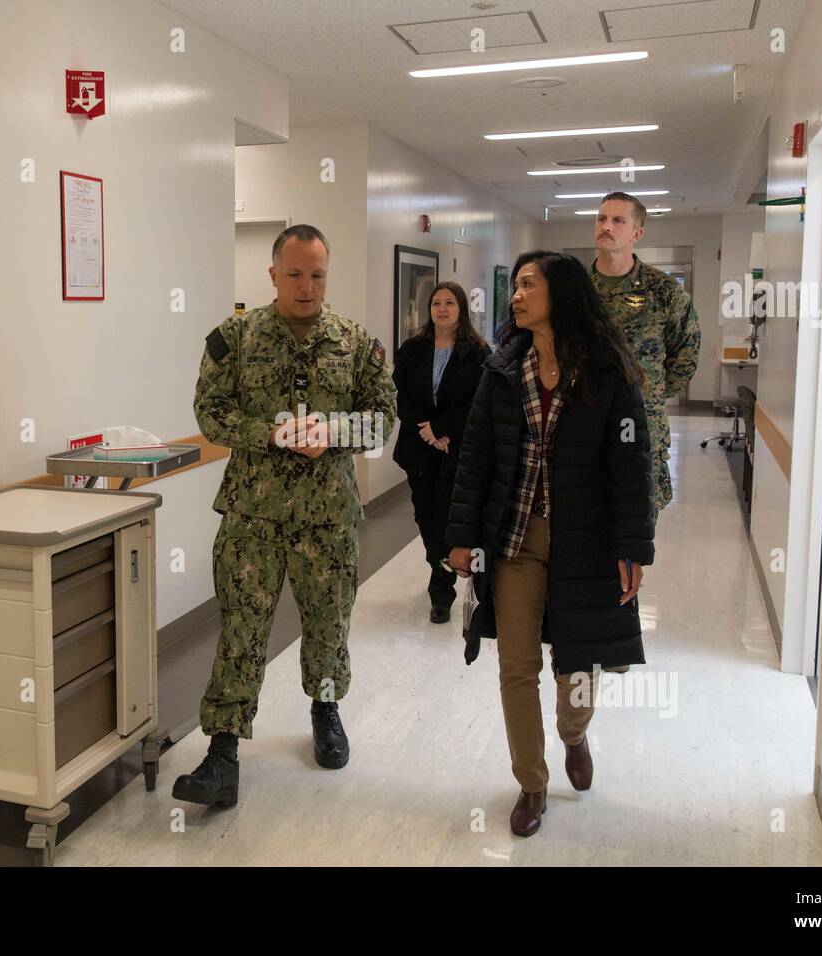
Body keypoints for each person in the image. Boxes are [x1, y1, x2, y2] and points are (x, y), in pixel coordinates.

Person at [173, 224, 398, 807]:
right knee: (241, 631)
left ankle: (326, 712)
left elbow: (382, 420)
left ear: (329, 275)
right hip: (254, 516)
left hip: (327, 518)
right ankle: (222, 751)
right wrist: (270, 433)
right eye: (295, 274)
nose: (307, 286)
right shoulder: (236, 338)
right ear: (273, 274)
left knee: (329, 625)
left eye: (317, 275)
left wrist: (335, 432)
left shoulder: (354, 341)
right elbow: (211, 412)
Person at [446, 250, 655, 838]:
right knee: (516, 664)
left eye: (529, 284)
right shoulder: (502, 370)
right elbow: (476, 457)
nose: (517, 294)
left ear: (561, 293)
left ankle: (573, 732)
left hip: (583, 541)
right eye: (514, 286)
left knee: (577, 668)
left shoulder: (608, 371)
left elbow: (630, 462)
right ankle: (531, 782)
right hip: (514, 539)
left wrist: (632, 545)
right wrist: (461, 537)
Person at [589, 191, 701, 515]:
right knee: (584, 521)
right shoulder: (575, 289)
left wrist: (653, 392)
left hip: (641, 426)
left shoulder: (662, 290)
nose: (606, 226)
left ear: (637, 234)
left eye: (617, 220)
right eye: (601, 218)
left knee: (635, 522)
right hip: (585, 424)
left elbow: (687, 349)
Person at [391, 281, 491, 623]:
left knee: (450, 518)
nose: (442, 309)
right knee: (425, 517)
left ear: (461, 309)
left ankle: (441, 591)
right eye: (436, 303)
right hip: (419, 450)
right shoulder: (413, 349)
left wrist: (443, 428)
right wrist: (428, 430)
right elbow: (399, 395)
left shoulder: (477, 352)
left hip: (458, 450)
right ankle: (444, 563)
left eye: (450, 303)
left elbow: (479, 401)